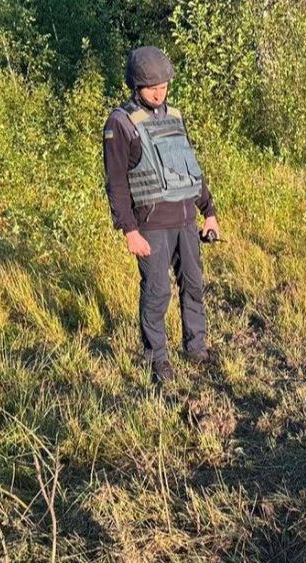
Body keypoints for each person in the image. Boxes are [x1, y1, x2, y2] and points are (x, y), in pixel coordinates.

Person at [103, 46, 221, 384]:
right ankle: (157, 359)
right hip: (151, 226)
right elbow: (116, 184)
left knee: (194, 286)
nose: (159, 92)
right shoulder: (120, 123)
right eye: (152, 87)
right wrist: (129, 230)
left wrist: (209, 212)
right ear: (135, 85)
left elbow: (190, 169)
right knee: (157, 292)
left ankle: (196, 349)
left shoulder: (175, 116)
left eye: (164, 85)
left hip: (185, 220)